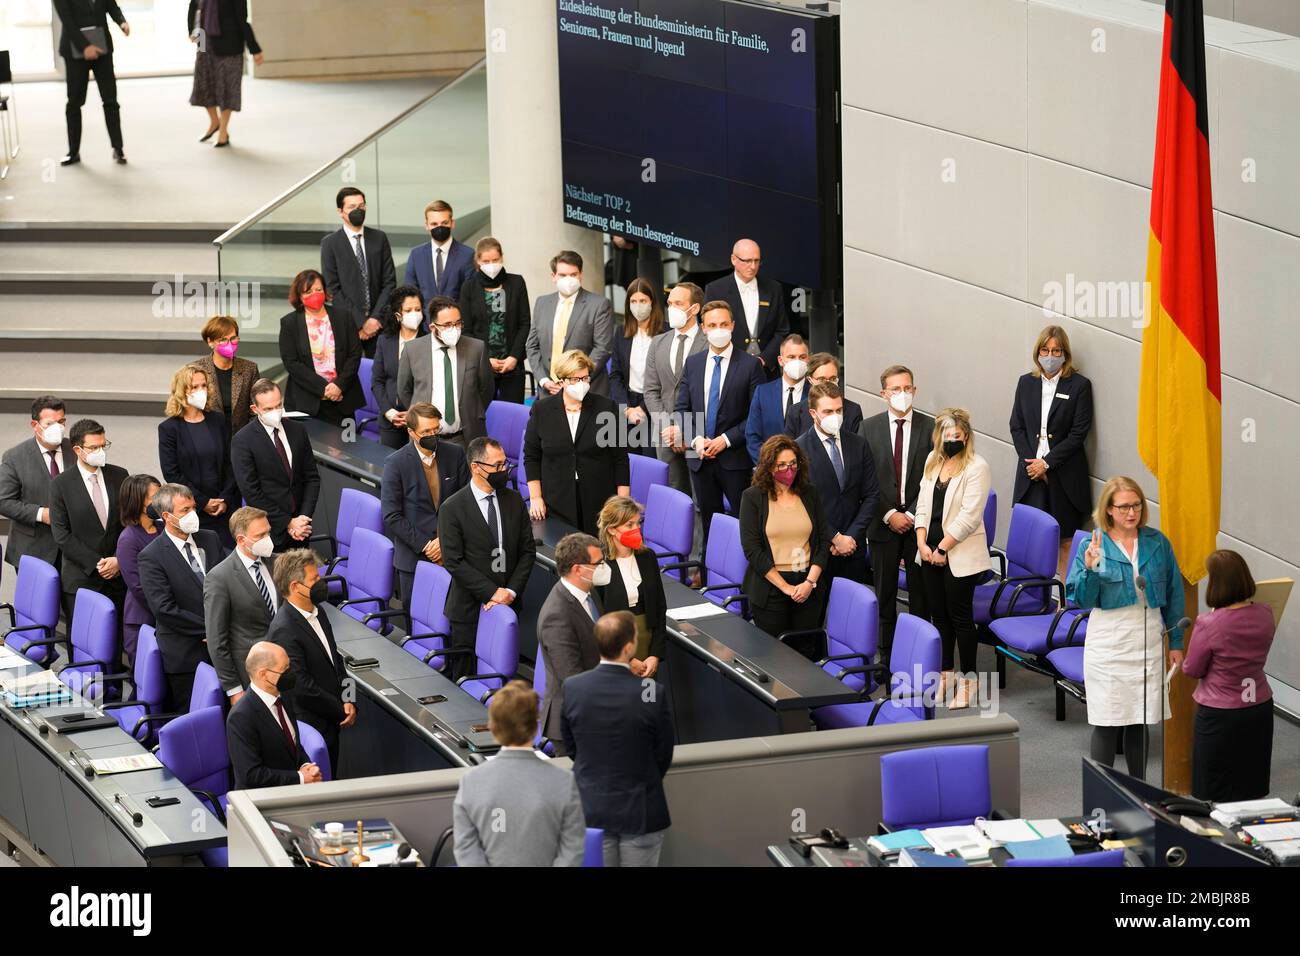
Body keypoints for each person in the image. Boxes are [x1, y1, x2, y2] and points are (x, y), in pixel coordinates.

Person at [1067, 477, 1186, 781]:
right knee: (1107, 720)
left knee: (1139, 719)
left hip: (1146, 638)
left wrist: (1176, 641)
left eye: (1136, 505)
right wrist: (1091, 569)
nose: (1131, 512)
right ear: (1108, 509)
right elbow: (1078, 599)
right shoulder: (1091, 545)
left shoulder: (1157, 542)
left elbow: (1174, 594)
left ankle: (1138, 790)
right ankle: (1101, 790)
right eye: (1123, 507)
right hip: (1108, 641)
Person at [562, 611, 674, 867]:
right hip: (641, 810)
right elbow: (663, 753)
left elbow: (572, 748)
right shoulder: (651, 692)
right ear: (629, 647)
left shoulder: (573, 688)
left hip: (592, 807)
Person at [452, 680, 586, 867]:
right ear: (536, 727)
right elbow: (573, 849)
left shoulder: (471, 782)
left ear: (493, 728)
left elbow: (466, 849)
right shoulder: (565, 782)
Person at [438, 437, 537, 681]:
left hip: (508, 604)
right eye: (498, 465)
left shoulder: (514, 500)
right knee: (465, 678)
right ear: (476, 467)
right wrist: (492, 592)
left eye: (505, 464)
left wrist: (510, 592)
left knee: (500, 677)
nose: (503, 470)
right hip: (468, 611)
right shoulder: (452, 508)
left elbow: (527, 552)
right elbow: (454, 561)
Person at [914, 409, 992, 710]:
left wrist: (943, 549)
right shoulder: (933, 462)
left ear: (966, 437)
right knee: (939, 617)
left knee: (960, 618)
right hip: (929, 548)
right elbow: (922, 505)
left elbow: (970, 517)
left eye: (956, 437)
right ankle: (945, 674)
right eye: (946, 436)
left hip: (959, 553)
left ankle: (969, 680)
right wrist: (922, 543)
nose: (951, 441)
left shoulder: (977, 467)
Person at [669, 300, 764, 547]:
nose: (718, 329)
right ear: (703, 328)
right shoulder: (694, 363)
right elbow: (681, 409)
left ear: (732, 326)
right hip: (700, 459)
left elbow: (756, 416)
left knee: (744, 524)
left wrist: (725, 440)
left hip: (735, 459)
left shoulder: (751, 365)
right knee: (708, 522)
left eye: (723, 324)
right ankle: (708, 574)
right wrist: (696, 439)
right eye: (712, 324)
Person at [1182, 550, 1274, 802]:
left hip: (1220, 715)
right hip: (1259, 708)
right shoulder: (1265, 613)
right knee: (1250, 785)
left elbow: (1192, 669)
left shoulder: (1210, 623)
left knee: (1216, 788)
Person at [1009, 325, 1094, 578]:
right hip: (1030, 474)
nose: (1050, 355)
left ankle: (1066, 605)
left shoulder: (1079, 386)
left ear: (1065, 354)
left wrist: (1046, 464)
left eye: (1056, 350)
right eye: (1045, 350)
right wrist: (1032, 464)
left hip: (1064, 475)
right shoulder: (1026, 383)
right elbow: (1017, 427)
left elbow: (1078, 434)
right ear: (1038, 352)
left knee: (1065, 540)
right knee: (1034, 540)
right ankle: (1034, 601)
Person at [862, 365, 934, 655]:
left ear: (914, 391)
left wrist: (913, 515)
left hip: (919, 527)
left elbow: (934, 480)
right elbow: (865, 480)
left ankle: (916, 657)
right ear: (883, 394)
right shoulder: (868, 428)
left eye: (907, 388)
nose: (902, 394)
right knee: (884, 597)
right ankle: (886, 659)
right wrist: (889, 514)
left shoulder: (931, 428)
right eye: (895, 389)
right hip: (883, 527)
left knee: (921, 599)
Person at [137, 483, 225, 711]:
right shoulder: (151, 556)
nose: (193, 514)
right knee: (196, 723)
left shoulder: (210, 538)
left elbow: (226, 585)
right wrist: (209, 629)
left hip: (224, 650)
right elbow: (164, 609)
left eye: (193, 507)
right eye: (185, 510)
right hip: (187, 655)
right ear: (167, 516)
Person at [267, 549, 356, 773]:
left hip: (331, 718)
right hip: (312, 725)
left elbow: (336, 660)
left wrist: (350, 698)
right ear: (296, 586)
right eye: (315, 579)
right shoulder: (284, 629)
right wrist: (340, 710)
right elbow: (302, 687)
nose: (321, 583)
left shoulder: (319, 612)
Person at [524, 349, 630, 536]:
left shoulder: (607, 408)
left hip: (598, 500)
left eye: (585, 378)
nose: (581, 384)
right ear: (562, 381)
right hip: (556, 500)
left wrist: (622, 505)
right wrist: (536, 497)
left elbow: (620, 459)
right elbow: (532, 457)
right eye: (574, 379)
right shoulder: (542, 409)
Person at [739, 436, 830, 646]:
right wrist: (786, 587)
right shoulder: (752, 497)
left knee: (805, 651)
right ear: (769, 466)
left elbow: (823, 542)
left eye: (793, 463)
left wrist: (809, 582)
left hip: (808, 586)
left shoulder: (810, 493)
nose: (788, 469)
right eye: (781, 465)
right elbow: (752, 550)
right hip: (770, 588)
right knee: (775, 654)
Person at [380, 402, 470, 610]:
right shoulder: (396, 463)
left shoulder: (455, 454)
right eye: (426, 431)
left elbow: (465, 503)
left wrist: (444, 542)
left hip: (452, 555)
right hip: (414, 559)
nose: (433, 435)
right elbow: (392, 515)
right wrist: (427, 546)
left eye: (435, 429)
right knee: (417, 620)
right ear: (411, 432)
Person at [49, 419, 127, 640]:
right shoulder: (61, 484)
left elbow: (129, 523)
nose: (100, 451)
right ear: (78, 450)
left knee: (114, 643)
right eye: (94, 447)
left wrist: (118, 559)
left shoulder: (120, 476)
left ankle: (111, 676)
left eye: (104, 445)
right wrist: (97, 564)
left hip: (117, 576)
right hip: (81, 578)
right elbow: (62, 535)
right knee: (84, 642)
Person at [795, 383, 878, 586]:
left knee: (849, 612)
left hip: (852, 547)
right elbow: (801, 503)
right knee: (815, 614)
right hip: (815, 548)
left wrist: (850, 537)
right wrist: (835, 537)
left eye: (839, 410)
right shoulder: (798, 449)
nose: (836, 416)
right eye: (828, 411)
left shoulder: (858, 444)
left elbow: (872, 494)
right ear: (813, 413)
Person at [230, 379, 320, 552]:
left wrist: (303, 518)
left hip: (301, 530)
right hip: (270, 532)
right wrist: (288, 523)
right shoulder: (243, 441)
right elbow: (251, 493)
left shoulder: (298, 430)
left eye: (278, 405)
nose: (275, 412)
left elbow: (312, 478)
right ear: (255, 409)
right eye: (268, 409)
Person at [535, 533, 605, 757]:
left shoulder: (589, 593)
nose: (603, 568)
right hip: (574, 722)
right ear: (578, 569)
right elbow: (572, 677)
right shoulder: (557, 615)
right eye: (598, 564)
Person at [396, 297, 494, 448]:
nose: (454, 329)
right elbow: (404, 390)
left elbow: (486, 390)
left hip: (465, 437)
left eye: (458, 323)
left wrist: (471, 410)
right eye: (447, 325)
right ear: (433, 327)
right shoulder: (412, 350)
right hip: (425, 438)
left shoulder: (476, 348)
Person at [204, 506, 279, 702]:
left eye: (268, 532)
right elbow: (216, 641)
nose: (267, 539)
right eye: (260, 535)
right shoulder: (220, 578)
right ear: (241, 540)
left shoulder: (278, 562)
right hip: (250, 675)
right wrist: (234, 689)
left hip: (285, 668)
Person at [158, 362, 237, 547]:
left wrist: (224, 499)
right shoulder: (169, 428)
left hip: (224, 507)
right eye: (195, 387)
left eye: (203, 385)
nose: (201, 390)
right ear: (182, 391)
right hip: (193, 510)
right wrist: (203, 502)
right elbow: (171, 472)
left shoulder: (217, 420)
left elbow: (230, 463)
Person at [226, 642, 323, 789]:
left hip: (291, 790)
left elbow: (293, 744)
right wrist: (301, 777)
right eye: (284, 670)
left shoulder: (283, 695)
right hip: (262, 801)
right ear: (263, 674)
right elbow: (251, 775)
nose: (290, 674)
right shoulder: (241, 716)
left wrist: (307, 765)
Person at [641, 282, 706, 499]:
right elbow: (650, 390)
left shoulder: (709, 344)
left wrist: (684, 430)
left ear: (694, 309)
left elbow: (710, 394)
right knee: (673, 498)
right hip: (665, 436)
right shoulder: (658, 343)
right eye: (670, 303)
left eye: (678, 303)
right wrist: (668, 427)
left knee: (699, 500)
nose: (672, 308)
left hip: (699, 434)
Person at [278, 269, 365, 426]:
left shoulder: (343, 317)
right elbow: (291, 362)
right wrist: (324, 389)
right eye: (308, 291)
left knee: (348, 447)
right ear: (299, 296)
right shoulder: (289, 323)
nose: (315, 294)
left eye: (319, 290)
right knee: (306, 448)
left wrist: (339, 386)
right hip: (307, 401)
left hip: (342, 399)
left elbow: (354, 354)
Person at [595, 496, 667, 680]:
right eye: (629, 525)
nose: (636, 529)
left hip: (647, 645)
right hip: (616, 650)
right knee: (624, 705)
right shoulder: (599, 564)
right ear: (612, 529)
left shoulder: (647, 557)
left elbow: (659, 607)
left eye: (638, 523)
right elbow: (598, 617)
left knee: (648, 701)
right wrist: (627, 658)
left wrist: (655, 655)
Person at [0, 396, 73, 575]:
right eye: (50, 424)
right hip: (34, 550)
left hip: (73, 551)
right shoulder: (14, 457)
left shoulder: (76, 449)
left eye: (61, 422)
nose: (58, 428)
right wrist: (42, 514)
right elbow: (3, 501)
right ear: (35, 425)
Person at [320, 186, 396, 358]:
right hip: (348, 326)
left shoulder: (379, 238)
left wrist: (375, 319)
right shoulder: (330, 244)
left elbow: (389, 282)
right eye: (352, 207)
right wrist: (361, 323)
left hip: (380, 326)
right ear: (340, 211)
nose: (358, 211)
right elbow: (333, 288)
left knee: (379, 379)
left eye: (361, 206)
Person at [526, 250, 615, 396]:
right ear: (553, 276)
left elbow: (603, 348)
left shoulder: (599, 305)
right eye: (562, 275)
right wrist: (543, 380)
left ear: (581, 275)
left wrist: (575, 381)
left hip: (586, 391)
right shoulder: (542, 303)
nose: (568, 279)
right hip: (549, 390)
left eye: (573, 275)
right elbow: (532, 346)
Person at [52, 0, 129, 166]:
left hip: (103, 48)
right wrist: (85, 47)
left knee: (110, 101)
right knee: (74, 102)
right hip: (75, 50)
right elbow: (67, 21)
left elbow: (112, 6)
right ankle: (73, 152)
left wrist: (121, 21)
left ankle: (118, 148)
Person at [458, 237, 530, 404]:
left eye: (495, 260)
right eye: (486, 261)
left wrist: (514, 357)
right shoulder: (468, 287)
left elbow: (524, 323)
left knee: (512, 419)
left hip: (512, 365)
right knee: (482, 417)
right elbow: (466, 329)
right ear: (478, 261)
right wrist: (484, 359)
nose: (491, 264)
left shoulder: (517, 282)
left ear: (502, 257)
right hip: (481, 366)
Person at [703, 238, 790, 373]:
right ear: (733, 259)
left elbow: (782, 330)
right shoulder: (715, 290)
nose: (753, 266)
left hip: (766, 370)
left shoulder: (774, 288)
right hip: (729, 368)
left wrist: (765, 358)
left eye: (757, 261)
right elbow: (710, 330)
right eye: (747, 261)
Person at [186, 0, 262, 148]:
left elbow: (242, 20)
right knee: (203, 85)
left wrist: (255, 49)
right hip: (204, 41)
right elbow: (193, 6)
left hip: (229, 44)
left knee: (227, 88)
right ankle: (215, 122)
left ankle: (223, 130)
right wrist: (191, 31)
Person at [610, 277, 663, 455]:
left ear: (652, 302)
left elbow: (668, 380)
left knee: (651, 460)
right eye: (633, 301)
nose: (638, 306)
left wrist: (644, 408)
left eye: (643, 301)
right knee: (625, 462)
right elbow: (616, 375)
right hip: (627, 404)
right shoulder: (621, 332)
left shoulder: (666, 333)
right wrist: (625, 408)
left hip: (654, 406)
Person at [371, 284, 427, 449]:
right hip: (391, 420)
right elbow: (377, 381)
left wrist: (413, 412)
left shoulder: (429, 342)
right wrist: (389, 412)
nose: (415, 314)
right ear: (398, 315)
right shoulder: (385, 341)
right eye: (408, 310)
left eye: (418, 309)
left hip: (421, 421)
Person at [114, 474, 160, 669]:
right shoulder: (128, 539)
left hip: (165, 617)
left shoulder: (163, 528)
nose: (161, 501)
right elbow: (139, 587)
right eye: (155, 497)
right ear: (139, 502)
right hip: (144, 621)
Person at [746, 334, 810, 462]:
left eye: (802, 357)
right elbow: (752, 436)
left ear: (808, 360)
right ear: (780, 361)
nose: (797, 361)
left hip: (807, 472)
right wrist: (770, 465)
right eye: (791, 357)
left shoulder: (815, 394)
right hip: (769, 470)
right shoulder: (763, 393)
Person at [197, 316, 259, 437]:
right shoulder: (197, 370)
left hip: (241, 439)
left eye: (233, 338)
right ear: (210, 342)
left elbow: (255, 410)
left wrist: (248, 438)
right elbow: (191, 411)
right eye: (223, 340)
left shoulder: (249, 369)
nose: (229, 344)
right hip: (208, 439)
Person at [404, 199, 476, 304]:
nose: (440, 227)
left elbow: (471, 297)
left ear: (452, 223)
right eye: (434, 224)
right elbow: (410, 294)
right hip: (425, 320)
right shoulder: (416, 255)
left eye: (444, 223)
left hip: (457, 319)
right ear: (426, 225)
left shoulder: (468, 255)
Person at [783, 353, 864, 438]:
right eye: (821, 379)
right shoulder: (795, 412)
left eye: (832, 379)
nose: (828, 384)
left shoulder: (853, 410)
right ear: (810, 380)